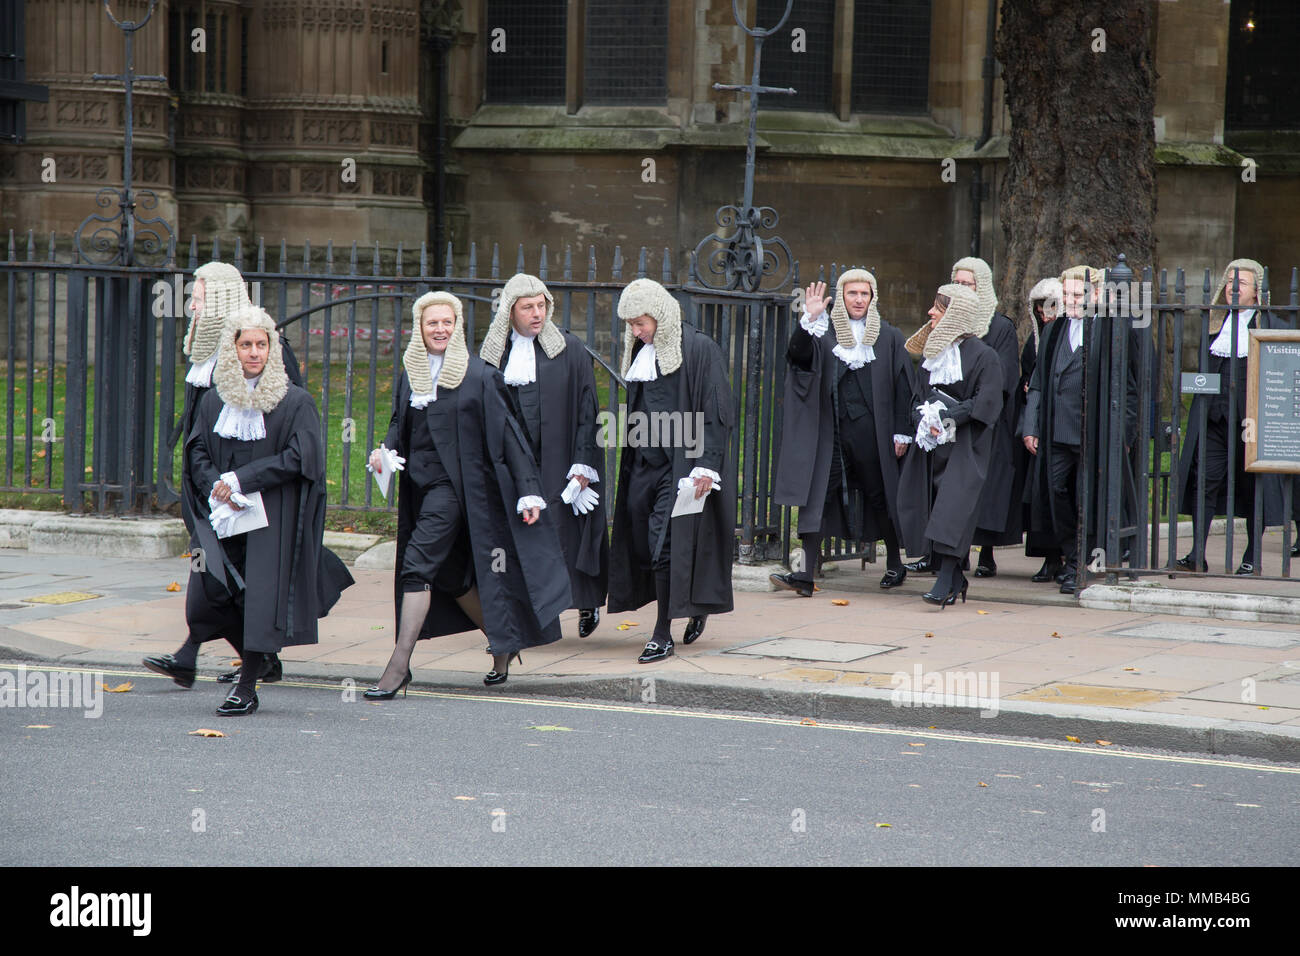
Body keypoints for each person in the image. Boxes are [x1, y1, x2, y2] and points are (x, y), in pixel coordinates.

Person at [365, 290, 571, 695]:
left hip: (460, 490)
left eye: (447, 322)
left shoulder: (479, 376)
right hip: (421, 490)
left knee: (416, 566)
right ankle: (505, 645)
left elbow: (511, 436)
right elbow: (399, 421)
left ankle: (399, 666)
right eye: (432, 323)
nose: (440, 329)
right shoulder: (411, 373)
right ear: (419, 329)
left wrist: (529, 491)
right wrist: (384, 452)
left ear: (457, 326)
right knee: (452, 576)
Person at [171, 306, 352, 715]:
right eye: (246, 344)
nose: (254, 352)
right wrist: (217, 485)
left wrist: (242, 480)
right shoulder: (214, 400)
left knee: (259, 600)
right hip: (222, 513)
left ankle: (247, 685)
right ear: (232, 349)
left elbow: (301, 458)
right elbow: (196, 449)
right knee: (211, 590)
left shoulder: (295, 402)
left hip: (273, 516)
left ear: (272, 349)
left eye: (261, 344)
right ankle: (256, 660)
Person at [146, 262, 305, 690]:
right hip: (205, 483)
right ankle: (246, 658)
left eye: (198, 298)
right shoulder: (207, 353)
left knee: (215, 574)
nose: (193, 306)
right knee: (211, 569)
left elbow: (287, 415)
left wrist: (241, 480)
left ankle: (193, 654)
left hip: (246, 490)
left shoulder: (263, 346)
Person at [607, 278, 734, 663]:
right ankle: (695, 602)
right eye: (630, 324)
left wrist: (706, 466)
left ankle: (662, 634)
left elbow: (715, 411)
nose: (635, 331)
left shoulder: (699, 348)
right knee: (644, 542)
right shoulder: (641, 351)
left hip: (680, 465)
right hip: (644, 464)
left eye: (640, 322)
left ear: (659, 316)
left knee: (664, 545)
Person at [479, 273, 608, 637]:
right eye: (528, 307)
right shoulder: (494, 354)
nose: (537, 314)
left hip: (562, 455)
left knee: (568, 531)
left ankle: (585, 602)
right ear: (510, 312)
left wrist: (583, 465)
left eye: (541, 306)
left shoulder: (570, 348)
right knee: (526, 532)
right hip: (517, 458)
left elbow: (588, 410)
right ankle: (538, 611)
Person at [771, 269, 914, 595]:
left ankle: (895, 564)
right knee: (817, 497)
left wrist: (902, 431)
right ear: (843, 297)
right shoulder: (823, 332)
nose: (859, 300)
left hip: (872, 433)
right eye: (853, 294)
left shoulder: (888, 337)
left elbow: (904, 385)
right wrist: (808, 319)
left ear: (872, 297)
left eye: (865, 294)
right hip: (831, 433)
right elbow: (798, 358)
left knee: (880, 496)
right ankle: (805, 575)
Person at [1021, 265, 1139, 595]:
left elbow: (1129, 388)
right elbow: (1039, 383)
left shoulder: (1111, 329)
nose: (1073, 300)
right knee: (1055, 493)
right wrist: (1031, 424)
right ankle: (1072, 555)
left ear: (1096, 294)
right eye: (1069, 294)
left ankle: (1081, 563)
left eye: (1079, 294)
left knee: (1087, 496)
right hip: (1056, 432)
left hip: (1093, 433)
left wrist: (1124, 434)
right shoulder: (1053, 330)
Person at [1174, 259, 1294, 574]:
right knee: (1205, 481)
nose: (1233, 288)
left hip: (1253, 420)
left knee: (1255, 485)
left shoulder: (1274, 326)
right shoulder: (1212, 325)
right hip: (1214, 418)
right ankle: (1196, 555)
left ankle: (1251, 558)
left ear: (1257, 292)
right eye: (1229, 282)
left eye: (1241, 283)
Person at [896, 284, 1004, 608]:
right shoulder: (933, 352)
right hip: (932, 446)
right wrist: (923, 417)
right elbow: (916, 394)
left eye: (938, 308)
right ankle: (955, 579)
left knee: (953, 510)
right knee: (929, 505)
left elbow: (986, 402)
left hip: (966, 445)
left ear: (955, 314)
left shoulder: (985, 356)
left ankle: (946, 579)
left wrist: (948, 417)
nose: (931, 313)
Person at [951, 257, 1022, 578]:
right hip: (954, 417)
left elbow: (1005, 378)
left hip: (989, 420)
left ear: (981, 286)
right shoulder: (946, 322)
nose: (962, 289)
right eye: (958, 283)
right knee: (956, 486)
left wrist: (978, 405)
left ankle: (987, 554)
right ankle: (957, 550)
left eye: (968, 284)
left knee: (986, 487)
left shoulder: (1001, 327)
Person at [1018, 277, 1066, 583]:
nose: (1044, 315)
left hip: (1066, 424)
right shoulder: (1036, 340)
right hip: (1041, 423)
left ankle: (1070, 557)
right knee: (1042, 495)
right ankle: (1050, 558)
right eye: (1039, 309)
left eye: (1050, 307)